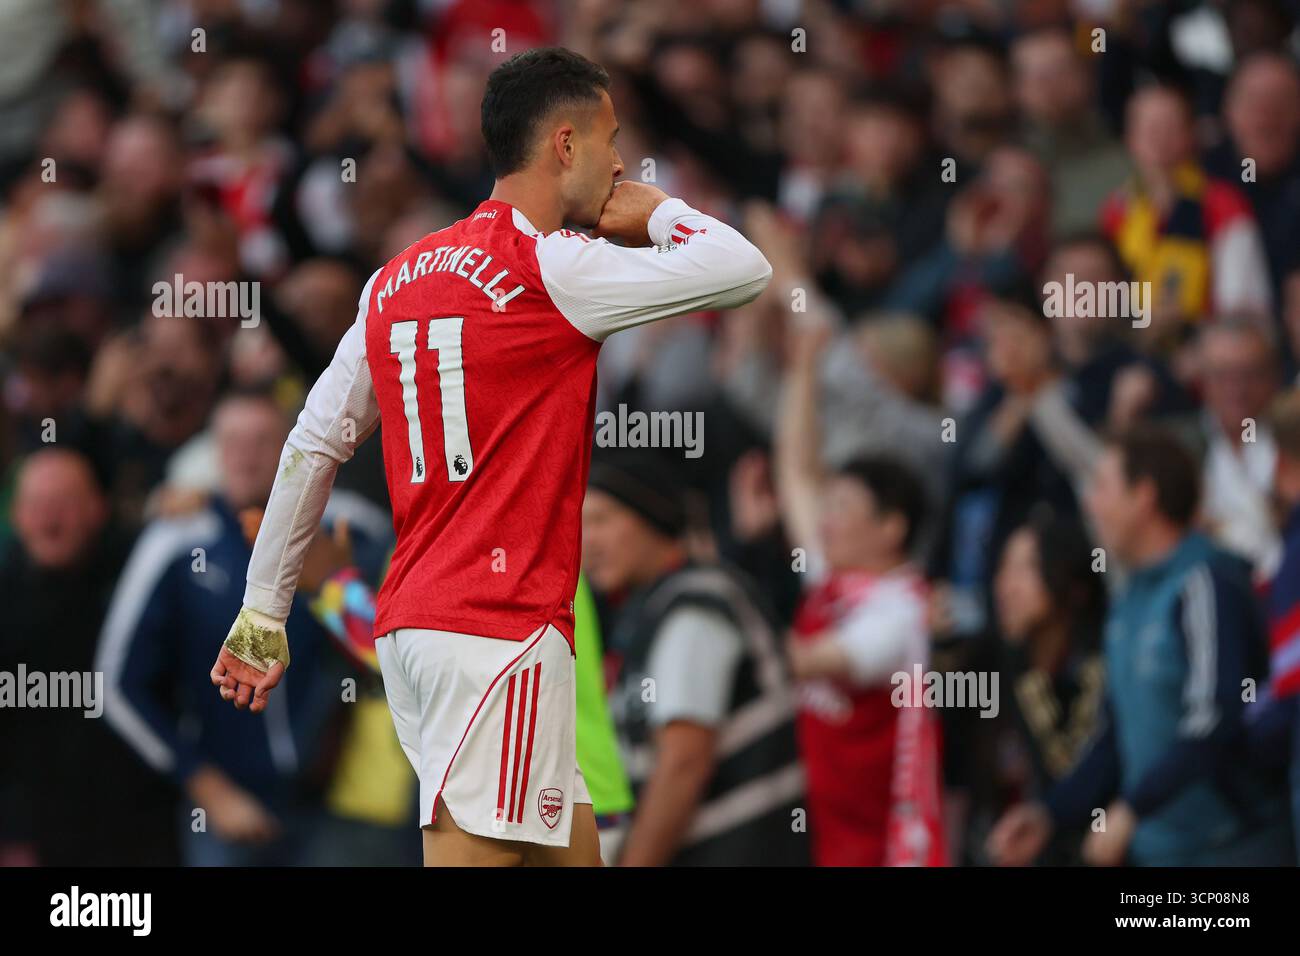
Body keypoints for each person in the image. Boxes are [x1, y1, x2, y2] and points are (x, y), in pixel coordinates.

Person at [210, 47, 772, 867]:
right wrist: (656, 214)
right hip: (497, 635)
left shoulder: (392, 281)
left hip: (421, 625)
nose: (622, 163)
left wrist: (266, 610)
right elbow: (742, 268)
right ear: (566, 144)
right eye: (611, 139)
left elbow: (311, 443)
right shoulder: (555, 267)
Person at [988, 426, 1293, 866]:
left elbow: (1214, 718)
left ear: (1143, 497)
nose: (1090, 503)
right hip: (1160, 853)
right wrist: (1050, 814)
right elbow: (1116, 733)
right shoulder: (1129, 596)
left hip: (1233, 848)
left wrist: (1132, 809)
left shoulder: (1207, 581)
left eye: (1103, 488)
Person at [97, 391, 346, 866]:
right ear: (211, 451)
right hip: (222, 810)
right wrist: (204, 784)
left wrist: (340, 588)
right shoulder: (177, 539)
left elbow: (378, 647)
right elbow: (116, 683)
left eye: (262, 440)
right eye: (231, 440)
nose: (246, 455)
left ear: (290, 448)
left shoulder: (338, 529)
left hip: (330, 807)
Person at [776, 311, 944, 867]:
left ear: (890, 527)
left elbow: (815, 662)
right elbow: (797, 474)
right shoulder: (839, 583)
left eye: (843, 508)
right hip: (825, 840)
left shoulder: (898, 616)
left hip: (878, 851)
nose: (826, 521)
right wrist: (803, 369)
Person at [583, 451, 805, 866]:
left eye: (603, 520)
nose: (587, 541)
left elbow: (684, 762)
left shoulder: (697, 606)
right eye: (581, 525)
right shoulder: (647, 609)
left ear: (652, 518)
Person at [989, 511, 1106, 864]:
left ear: (1072, 583)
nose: (1006, 585)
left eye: (1025, 569)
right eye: (1003, 567)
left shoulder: (1107, 664)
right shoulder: (1004, 666)